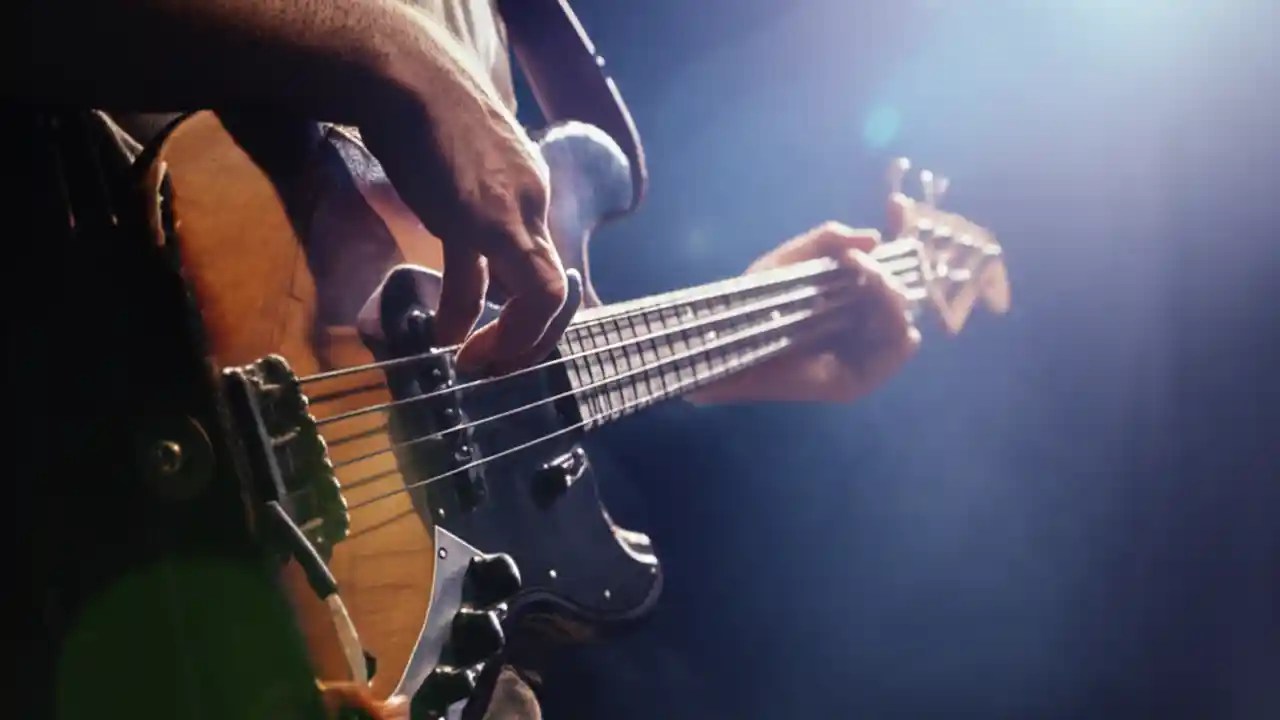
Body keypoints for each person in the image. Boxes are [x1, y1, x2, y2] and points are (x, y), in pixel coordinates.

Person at [10, 1, 919, 718]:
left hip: (371, 649)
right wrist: (393, 56)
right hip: (87, 395)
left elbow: (493, 339)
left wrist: (745, 338)